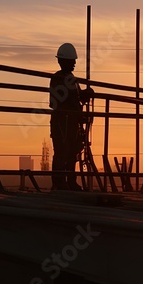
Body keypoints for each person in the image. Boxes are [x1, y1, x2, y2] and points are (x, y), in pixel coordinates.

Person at [49, 42, 94, 191]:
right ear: (63, 61)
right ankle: (59, 182)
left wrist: (85, 94)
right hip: (62, 121)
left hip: (71, 120)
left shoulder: (71, 79)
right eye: (72, 61)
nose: (74, 63)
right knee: (62, 150)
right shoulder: (58, 79)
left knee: (73, 151)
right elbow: (59, 101)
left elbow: (76, 98)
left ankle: (70, 181)